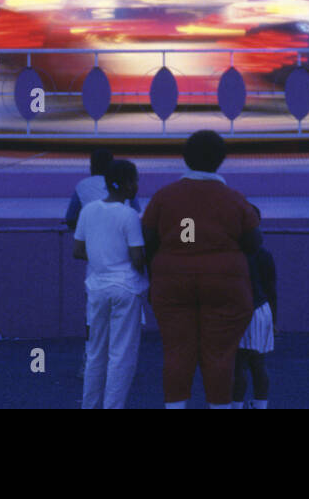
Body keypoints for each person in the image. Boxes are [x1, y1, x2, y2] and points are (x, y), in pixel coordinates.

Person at [142, 129, 261, 408]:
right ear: (221, 159)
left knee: (176, 352)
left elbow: (147, 240)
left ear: (185, 158)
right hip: (226, 284)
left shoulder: (163, 197)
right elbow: (254, 243)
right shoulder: (234, 199)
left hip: (171, 283)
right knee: (220, 354)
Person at [73, 159, 147, 409]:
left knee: (95, 353)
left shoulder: (88, 211)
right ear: (127, 184)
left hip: (96, 287)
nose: (137, 185)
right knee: (121, 356)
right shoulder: (129, 215)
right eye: (135, 180)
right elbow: (137, 258)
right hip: (125, 288)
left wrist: (101, 257)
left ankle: (89, 405)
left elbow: (78, 250)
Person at [232, 227, 276, 409]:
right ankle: (260, 405)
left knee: (239, 363)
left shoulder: (235, 256)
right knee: (258, 362)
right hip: (262, 311)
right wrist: (274, 319)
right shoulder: (264, 254)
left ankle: (236, 405)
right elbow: (271, 289)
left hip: (245, 311)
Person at [65, 149, 115, 232]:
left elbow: (70, 218)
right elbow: (135, 211)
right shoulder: (122, 183)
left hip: (94, 238)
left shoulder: (82, 185)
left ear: (91, 167)